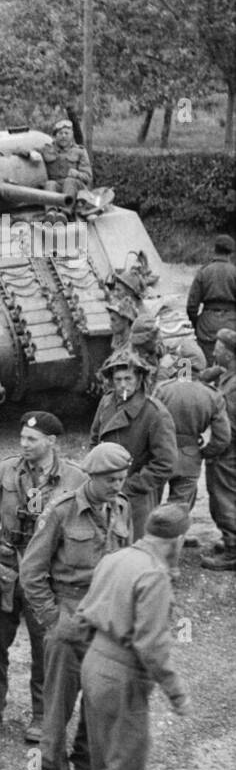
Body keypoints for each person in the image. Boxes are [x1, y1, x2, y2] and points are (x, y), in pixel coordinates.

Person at [26, 504, 192, 770]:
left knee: (107, 763)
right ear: (177, 539)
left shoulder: (116, 558)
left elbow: (84, 612)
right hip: (123, 676)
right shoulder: (153, 575)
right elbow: (151, 646)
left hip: (94, 662)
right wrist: (176, 692)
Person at [20, 442, 134, 770]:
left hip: (109, 624)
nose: (118, 485)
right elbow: (32, 572)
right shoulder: (61, 511)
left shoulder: (121, 507)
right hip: (70, 619)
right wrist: (53, 620)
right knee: (56, 710)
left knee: (100, 706)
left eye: (121, 478)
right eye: (111, 479)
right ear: (92, 476)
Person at [0, 412, 86, 745]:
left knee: (46, 647)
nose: (23, 444)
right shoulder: (6, 470)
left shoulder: (74, 479)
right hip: (5, 569)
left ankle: (42, 715)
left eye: (31, 440)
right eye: (21, 438)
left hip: (47, 577)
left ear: (51, 442)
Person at [89, 348, 178, 538]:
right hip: (104, 490)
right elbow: (94, 440)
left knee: (134, 545)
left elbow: (165, 463)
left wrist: (130, 485)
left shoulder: (154, 413)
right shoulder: (106, 402)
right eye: (118, 379)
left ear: (139, 380)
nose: (122, 385)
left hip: (136, 496)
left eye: (128, 379)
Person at [153, 354, 230, 512]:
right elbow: (223, 438)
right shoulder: (211, 395)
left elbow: (148, 422)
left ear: (180, 365)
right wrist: (203, 453)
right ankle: (174, 535)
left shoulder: (162, 389)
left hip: (160, 454)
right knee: (179, 509)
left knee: (149, 504)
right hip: (190, 456)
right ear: (200, 368)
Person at [200, 329, 236, 571]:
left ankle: (233, 551)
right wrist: (213, 371)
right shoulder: (227, 376)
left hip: (227, 452)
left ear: (230, 354)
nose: (214, 352)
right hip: (228, 450)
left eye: (218, 349)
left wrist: (212, 450)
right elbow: (194, 377)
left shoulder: (232, 387)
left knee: (224, 499)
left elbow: (228, 428)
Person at [185, 234, 236, 365]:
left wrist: (197, 323)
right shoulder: (234, 272)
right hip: (231, 326)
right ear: (230, 252)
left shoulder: (204, 272)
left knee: (206, 367)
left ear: (215, 250)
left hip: (206, 327)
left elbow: (191, 306)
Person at [36, 118, 92, 193]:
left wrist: (77, 174)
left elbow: (88, 177)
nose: (63, 136)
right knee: (50, 184)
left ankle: (67, 204)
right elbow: (26, 150)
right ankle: (51, 205)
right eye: (60, 133)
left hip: (76, 189)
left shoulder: (80, 151)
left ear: (72, 135)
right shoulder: (47, 149)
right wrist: (31, 154)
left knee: (69, 182)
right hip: (56, 186)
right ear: (55, 136)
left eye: (66, 133)